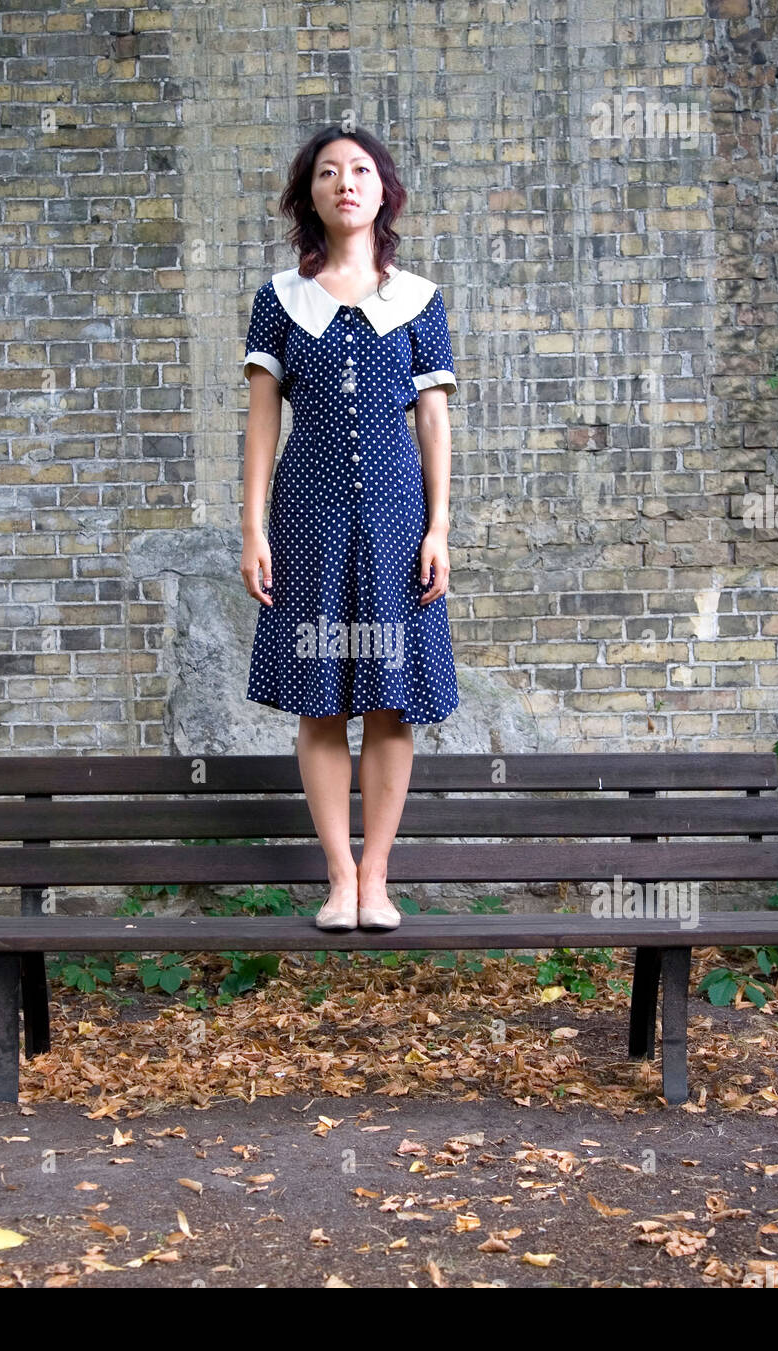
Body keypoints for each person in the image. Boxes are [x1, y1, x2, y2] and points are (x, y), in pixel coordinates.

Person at [239, 124, 460, 934]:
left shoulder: (419, 300)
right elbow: (262, 423)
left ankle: (376, 876)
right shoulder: (280, 299)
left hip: (400, 521)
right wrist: (252, 528)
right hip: (307, 518)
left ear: (382, 189)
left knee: (392, 703)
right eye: (329, 172)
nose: (346, 183)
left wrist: (439, 528)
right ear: (311, 195)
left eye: (360, 170)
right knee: (322, 700)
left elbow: (433, 423)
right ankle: (336, 877)